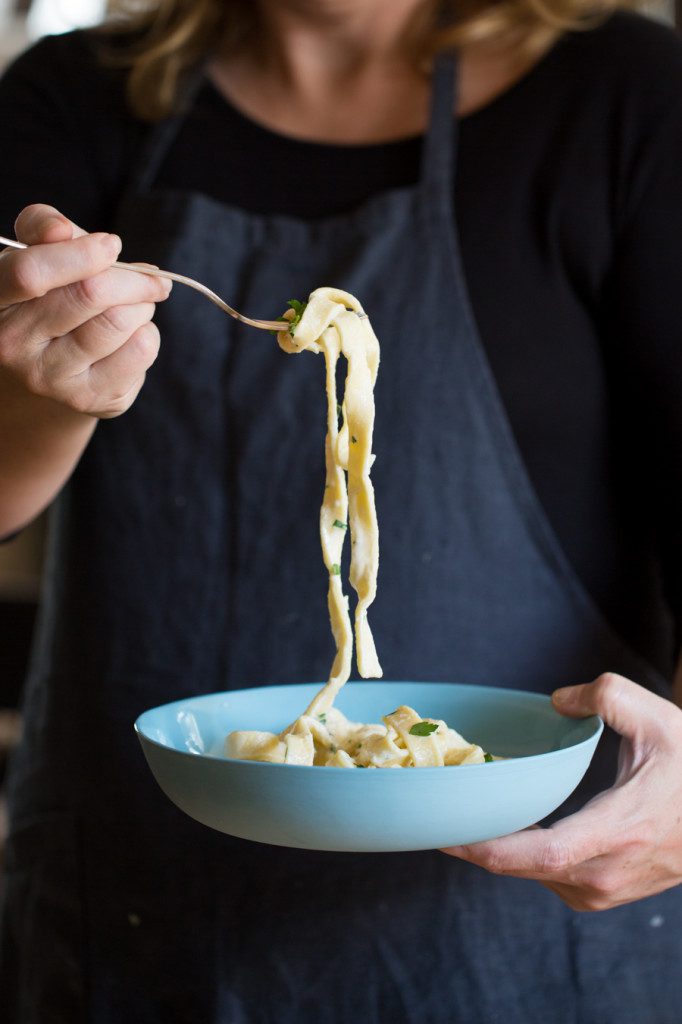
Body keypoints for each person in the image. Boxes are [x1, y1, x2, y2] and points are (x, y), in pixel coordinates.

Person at [1, 0, 682, 1020]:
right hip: (138, 915)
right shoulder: (72, 98)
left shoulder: (623, 94)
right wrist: (43, 394)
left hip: (525, 932)